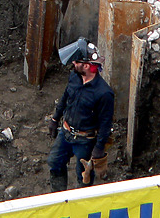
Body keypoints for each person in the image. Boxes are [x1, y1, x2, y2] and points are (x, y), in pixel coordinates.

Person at [46, 38, 115, 191]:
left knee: (84, 177)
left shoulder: (104, 94)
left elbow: (105, 123)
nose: (73, 64)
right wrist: (55, 119)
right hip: (66, 133)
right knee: (55, 163)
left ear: (86, 65)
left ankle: (80, 209)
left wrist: (98, 149)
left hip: (85, 141)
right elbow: (65, 98)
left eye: (76, 62)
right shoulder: (74, 78)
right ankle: (58, 199)